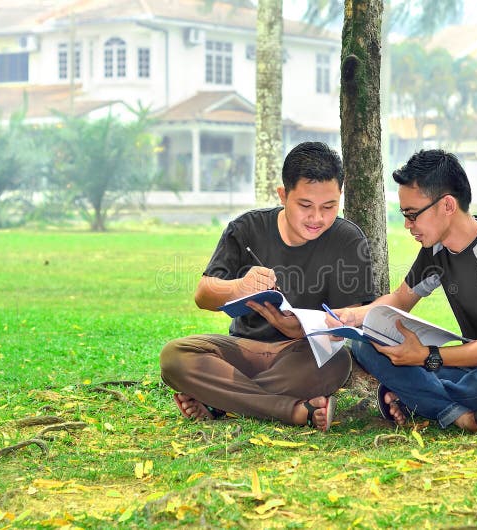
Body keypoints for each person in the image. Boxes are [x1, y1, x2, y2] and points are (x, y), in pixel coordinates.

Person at [330, 149, 477, 435]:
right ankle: (460, 416)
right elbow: (401, 300)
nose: (407, 225)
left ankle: (413, 399)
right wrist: (351, 317)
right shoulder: (436, 250)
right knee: (366, 344)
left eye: (413, 214)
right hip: (472, 369)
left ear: (448, 206)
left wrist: (427, 357)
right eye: (404, 215)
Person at [160, 142, 374, 431]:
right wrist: (238, 287)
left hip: (303, 354)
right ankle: (296, 412)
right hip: (243, 351)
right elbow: (203, 294)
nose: (317, 218)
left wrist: (300, 328)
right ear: (283, 195)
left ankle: (219, 401)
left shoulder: (348, 240)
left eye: (329, 206)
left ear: (340, 197)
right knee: (175, 357)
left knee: (337, 364)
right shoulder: (247, 228)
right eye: (305, 205)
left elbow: (350, 316)